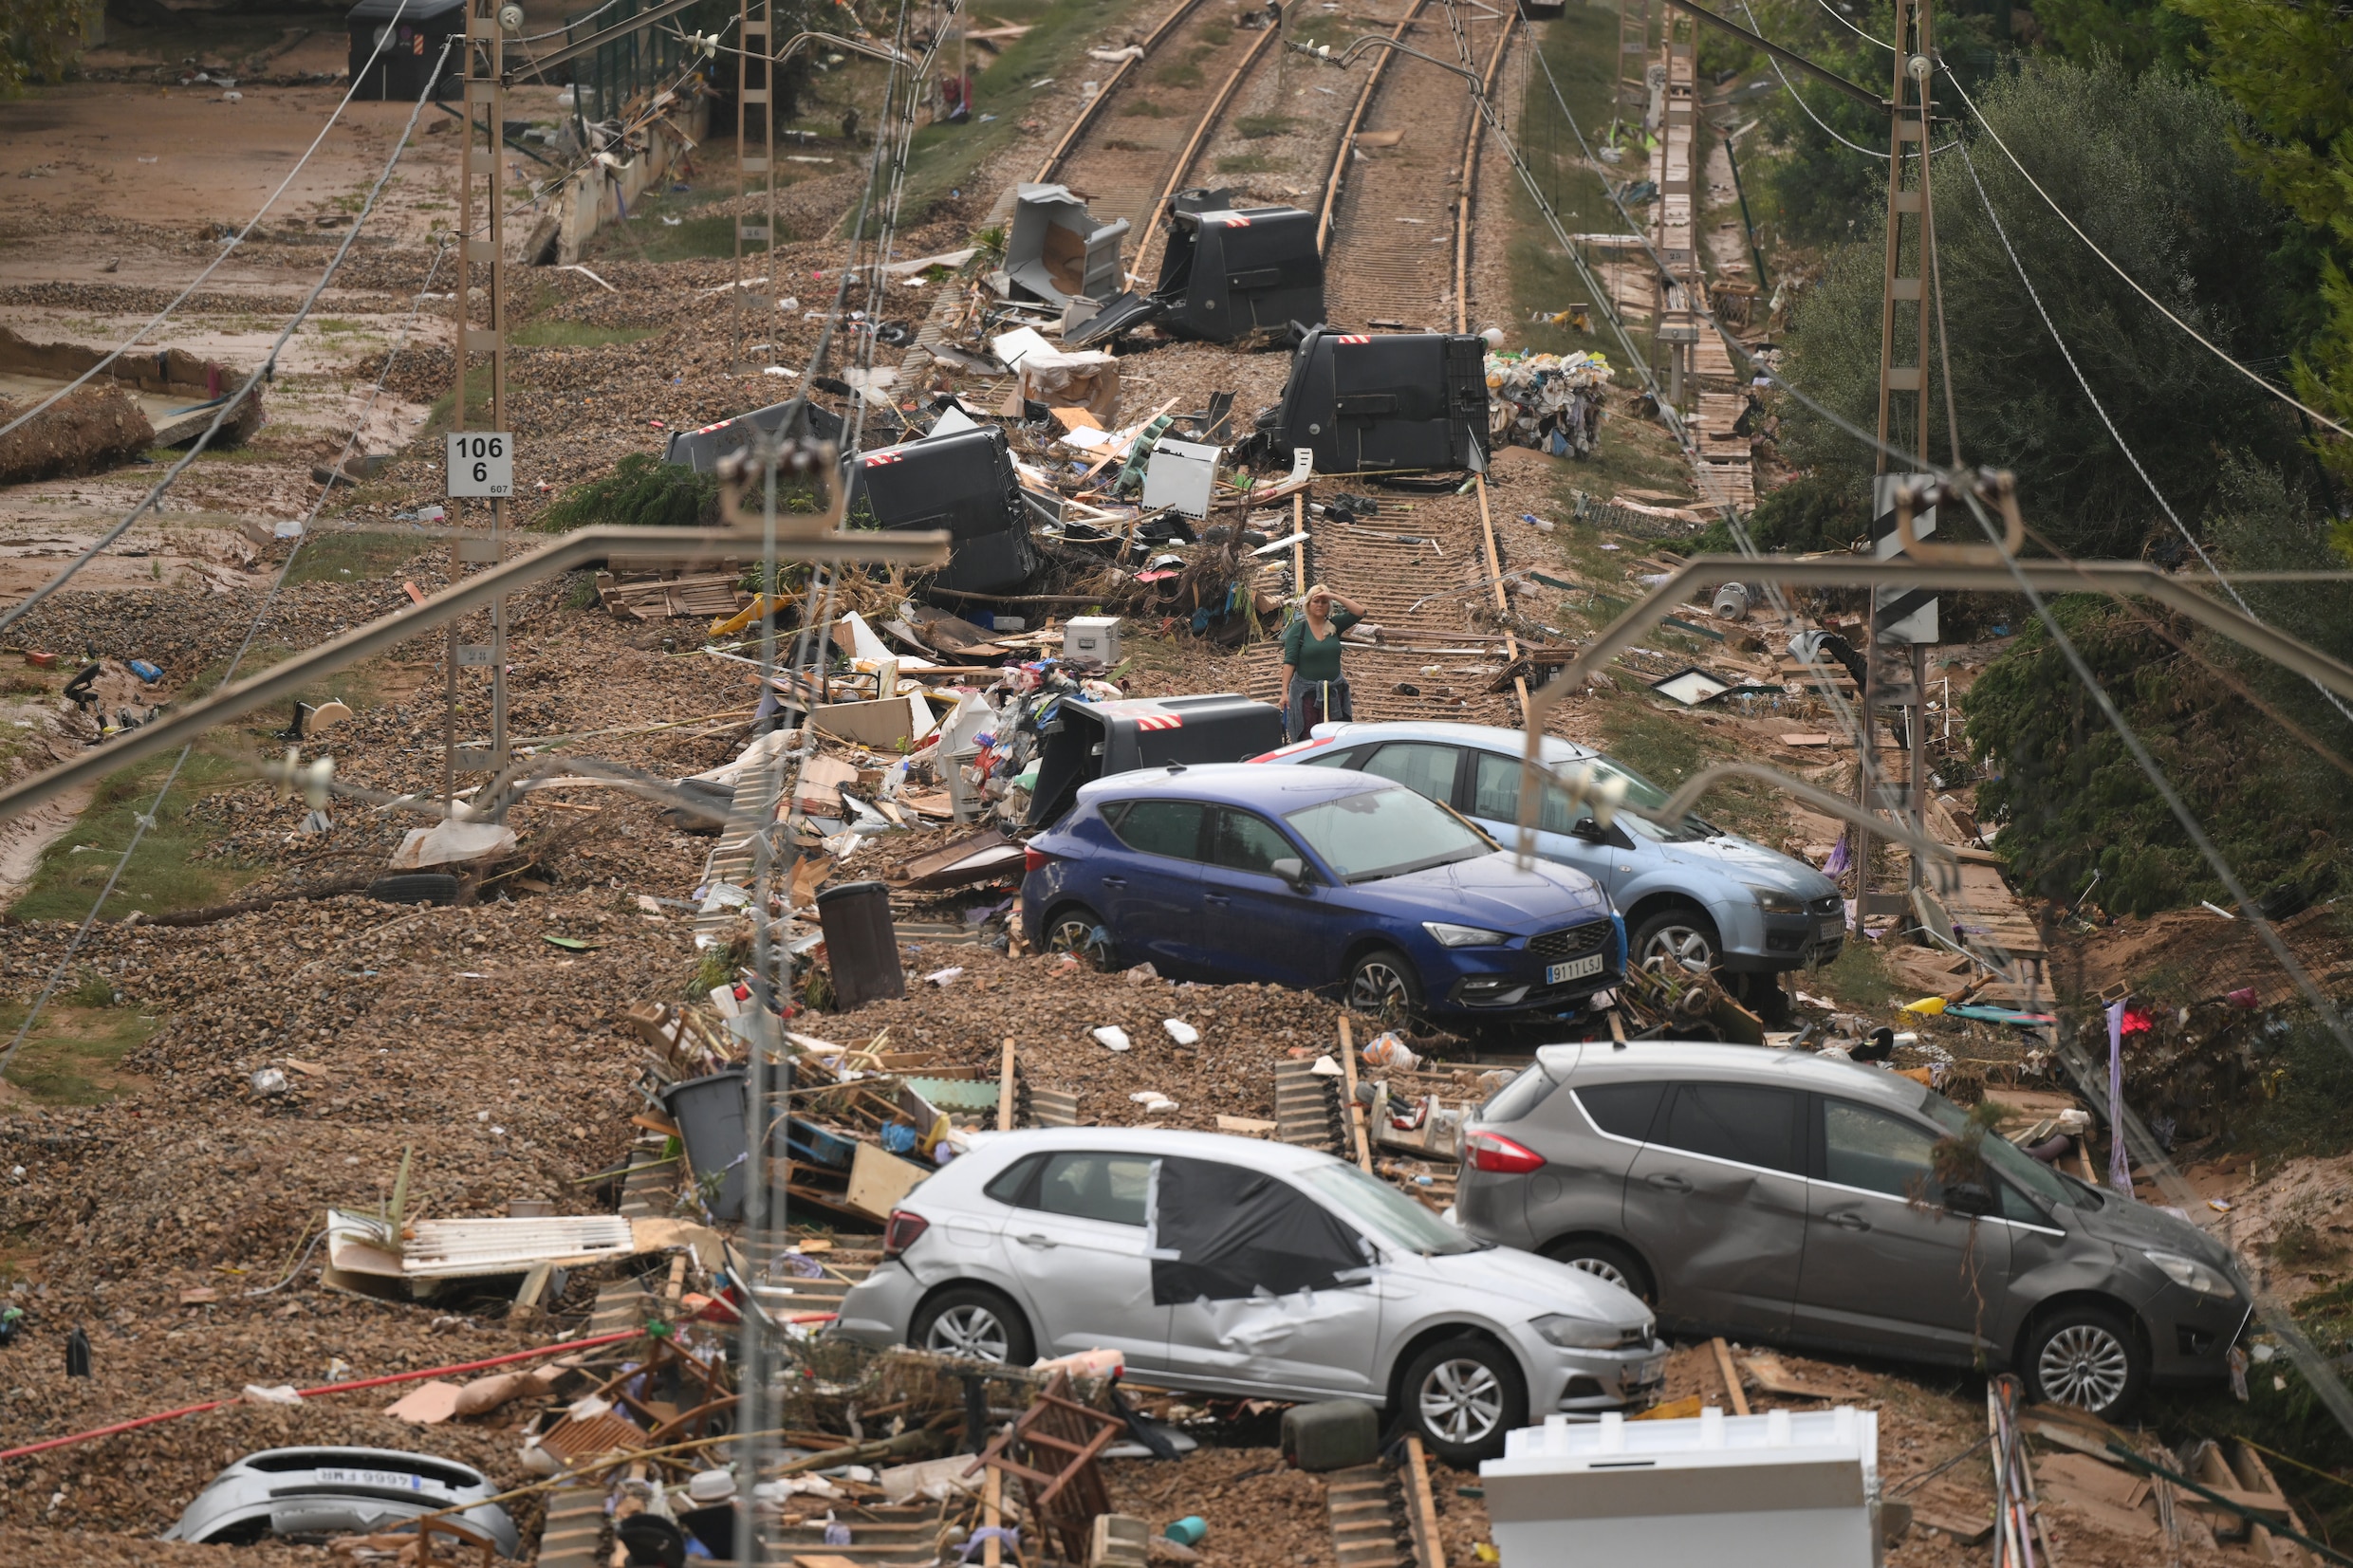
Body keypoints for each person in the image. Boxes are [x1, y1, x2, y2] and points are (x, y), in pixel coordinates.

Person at [1280, 582, 1367, 742]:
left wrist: (1332, 596)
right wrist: (1284, 692)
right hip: (1306, 694)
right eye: (1316, 601)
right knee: (1308, 736)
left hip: (1334, 692)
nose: (1320, 605)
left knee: (1333, 736)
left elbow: (1360, 612)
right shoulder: (1298, 629)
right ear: (1308, 604)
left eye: (1324, 602)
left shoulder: (1334, 626)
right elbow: (1289, 661)